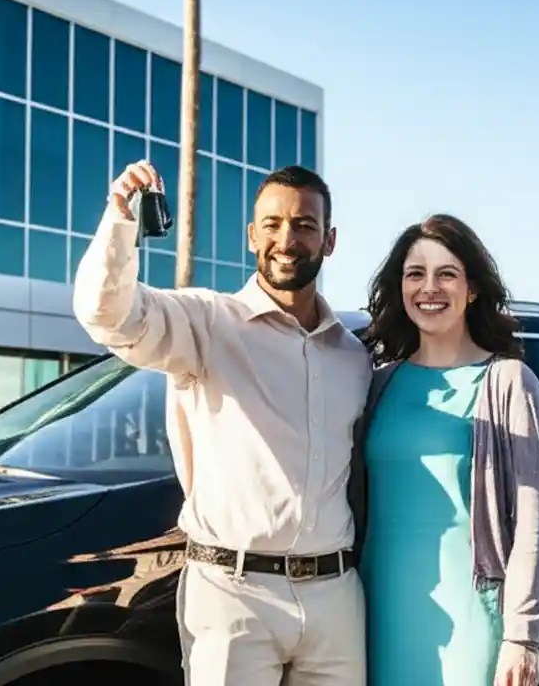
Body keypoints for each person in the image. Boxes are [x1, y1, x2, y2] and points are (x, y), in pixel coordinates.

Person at [72, 160, 372, 686]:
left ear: (329, 241)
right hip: (234, 593)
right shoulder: (205, 324)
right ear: (252, 236)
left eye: (305, 225)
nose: (288, 239)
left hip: (335, 595)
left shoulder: (353, 355)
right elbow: (108, 316)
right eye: (274, 225)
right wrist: (120, 220)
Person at [348, 213, 539, 686]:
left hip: (474, 612)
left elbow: (532, 521)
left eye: (447, 274)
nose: (429, 288)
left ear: (473, 289)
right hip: (381, 607)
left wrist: (521, 636)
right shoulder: (380, 383)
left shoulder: (508, 382)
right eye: (415, 274)